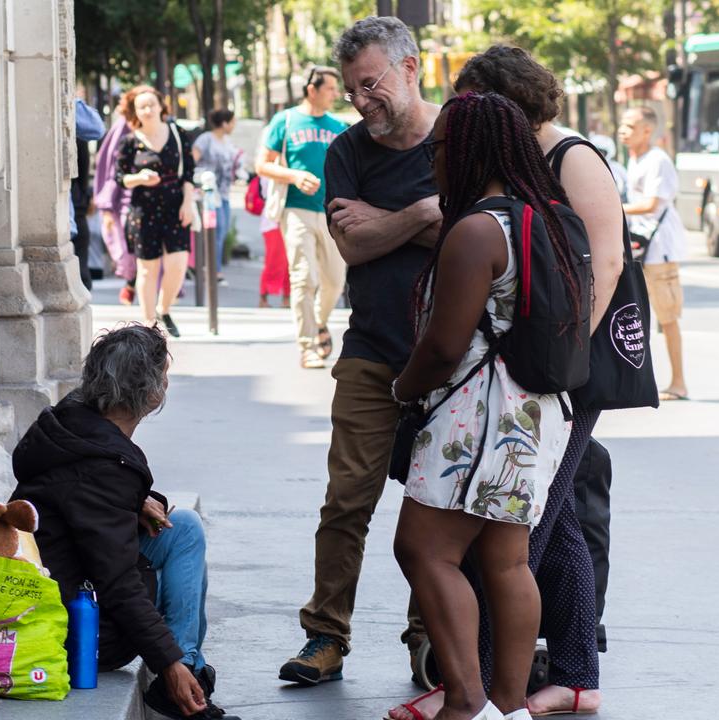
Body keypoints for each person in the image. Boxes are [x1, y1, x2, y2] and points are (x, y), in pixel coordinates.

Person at [387, 90, 578, 720]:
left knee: (423, 548)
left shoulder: (475, 230)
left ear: (471, 150)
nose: (433, 160)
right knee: (507, 558)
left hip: (478, 416)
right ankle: (508, 705)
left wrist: (403, 388)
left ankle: (465, 699)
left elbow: (444, 345)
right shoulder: (543, 218)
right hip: (535, 412)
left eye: (440, 148)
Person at [452, 44, 627, 716]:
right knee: (556, 523)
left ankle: (491, 681)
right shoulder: (524, 160)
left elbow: (604, 267)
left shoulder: (569, 155)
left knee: (526, 526)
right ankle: (576, 674)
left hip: (564, 372)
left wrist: (557, 368)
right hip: (540, 371)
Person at [277, 16, 441, 687]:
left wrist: (393, 222)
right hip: (372, 351)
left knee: (439, 507)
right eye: (350, 90)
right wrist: (424, 216)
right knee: (347, 500)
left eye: (371, 84)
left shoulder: (460, 138)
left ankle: (430, 639)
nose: (360, 100)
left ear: (411, 67)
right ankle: (325, 636)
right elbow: (352, 246)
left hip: (455, 357)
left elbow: (475, 238)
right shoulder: (347, 150)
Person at [10, 325, 239, 720]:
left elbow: (86, 503)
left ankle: (192, 667)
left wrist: (137, 503)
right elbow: (117, 580)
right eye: (163, 377)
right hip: (78, 626)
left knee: (182, 525)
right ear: (150, 394)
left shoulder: (72, 420)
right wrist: (169, 664)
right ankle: (184, 674)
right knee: (182, 534)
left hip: (69, 575)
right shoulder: (105, 464)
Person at [256, 66, 350, 369]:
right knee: (304, 278)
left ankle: (319, 322)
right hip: (295, 208)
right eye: (330, 88)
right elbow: (262, 165)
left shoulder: (338, 126)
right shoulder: (284, 121)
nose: (335, 94)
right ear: (312, 89)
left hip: (331, 211)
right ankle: (307, 345)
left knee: (335, 281)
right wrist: (294, 175)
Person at [619, 106, 690, 401]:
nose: (623, 131)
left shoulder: (658, 160)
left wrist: (614, 208)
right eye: (622, 125)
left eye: (630, 126)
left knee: (667, 316)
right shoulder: (634, 159)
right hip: (642, 248)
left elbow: (652, 204)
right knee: (640, 316)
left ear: (647, 130)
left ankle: (678, 382)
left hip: (660, 249)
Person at [115, 86, 196, 337]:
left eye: (151, 104)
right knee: (148, 268)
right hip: (144, 208)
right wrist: (138, 178)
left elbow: (189, 172)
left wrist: (188, 202)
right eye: (142, 106)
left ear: (161, 106)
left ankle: (164, 307)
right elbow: (119, 178)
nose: (147, 110)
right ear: (135, 111)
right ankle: (149, 324)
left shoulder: (177, 132)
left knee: (178, 263)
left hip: (175, 204)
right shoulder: (129, 141)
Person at [95, 100, 139, 305]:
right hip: (127, 199)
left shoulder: (162, 128)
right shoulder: (123, 128)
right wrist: (106, 203)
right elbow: (110, 167)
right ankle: (132, 283)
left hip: (158, 200)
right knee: (130, 249)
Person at [191, 109, 243, 277]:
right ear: (225, 123)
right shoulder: (206, 139)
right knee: (217, 229)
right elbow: (193, 159)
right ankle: (213, 270)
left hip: (225, 193)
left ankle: (213, 268)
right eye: (232, 122)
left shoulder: (228, 142)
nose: (234, 126)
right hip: (210, 194)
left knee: (222, 230)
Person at [71, 95, 106, 290]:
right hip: (73, 200)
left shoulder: (73, 108)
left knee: (81, 272)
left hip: (75, 201)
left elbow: (97, 129)